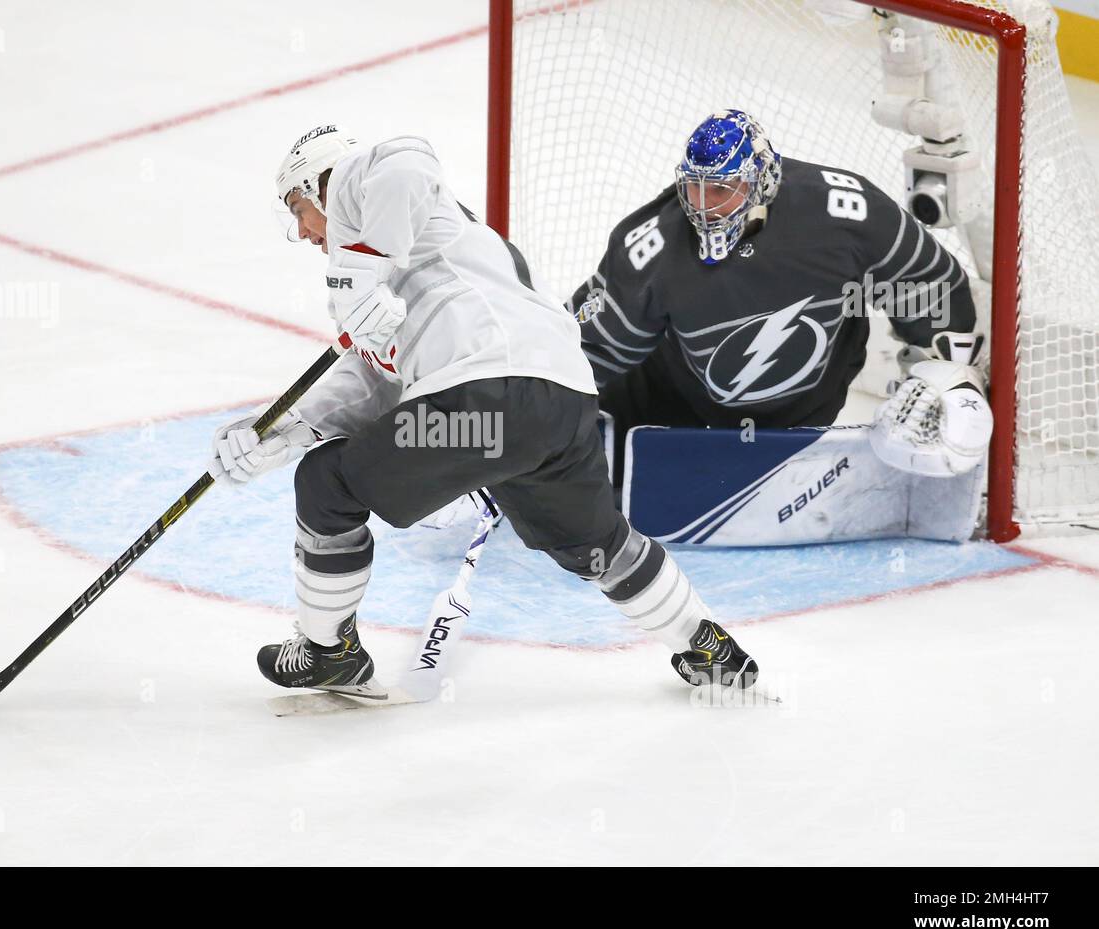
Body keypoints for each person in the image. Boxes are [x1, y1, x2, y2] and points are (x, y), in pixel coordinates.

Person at [209, 124, 758, 692]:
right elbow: (373, 382)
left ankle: (328, 651)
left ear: (320, 184)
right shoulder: (419, 258)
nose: (302, 232)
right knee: (598, 544)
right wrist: (282, 429)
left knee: (327, 485)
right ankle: (708, 646)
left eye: (299, 208)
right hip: (559, 407)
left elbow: (405, 157)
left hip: (486, 402)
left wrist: (355, 277)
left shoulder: (359, 191)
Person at [571, 109, 993, 486]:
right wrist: (529, 417)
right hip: (676, 405)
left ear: (760, 182)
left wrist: (943, 374)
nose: (701, 206)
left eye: (720, 189)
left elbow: (928, 281)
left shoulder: (843, 212)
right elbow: (587, 346)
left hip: (802, 419)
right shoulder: (654, 245)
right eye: (694, 188)